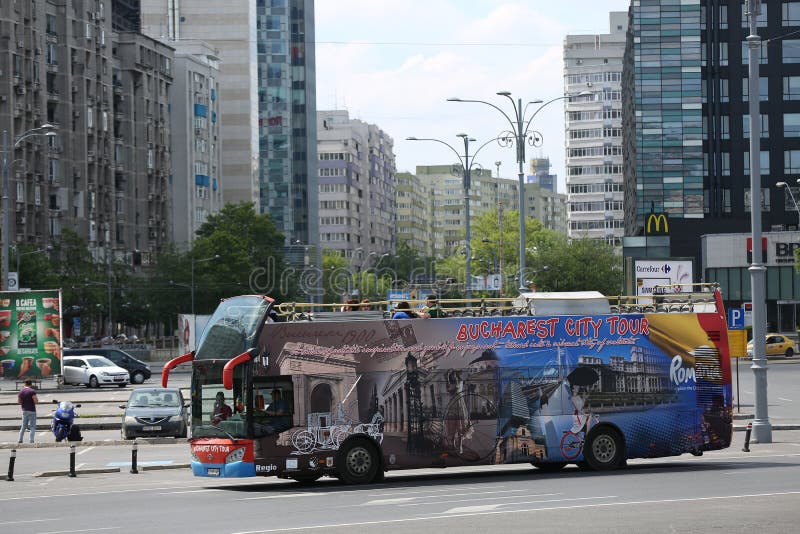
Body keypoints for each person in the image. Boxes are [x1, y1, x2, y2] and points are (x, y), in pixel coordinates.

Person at [18, 379, 38, 444]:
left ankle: (20, 440)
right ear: (31, 384)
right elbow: (35, 401)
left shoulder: (21, 391)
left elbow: (19, 401)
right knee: (32, 426)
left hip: (24, 410)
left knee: (23, 426)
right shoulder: (32, 391)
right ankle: (31, 441)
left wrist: (24, 404)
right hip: (32, 410)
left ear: (25, 384)